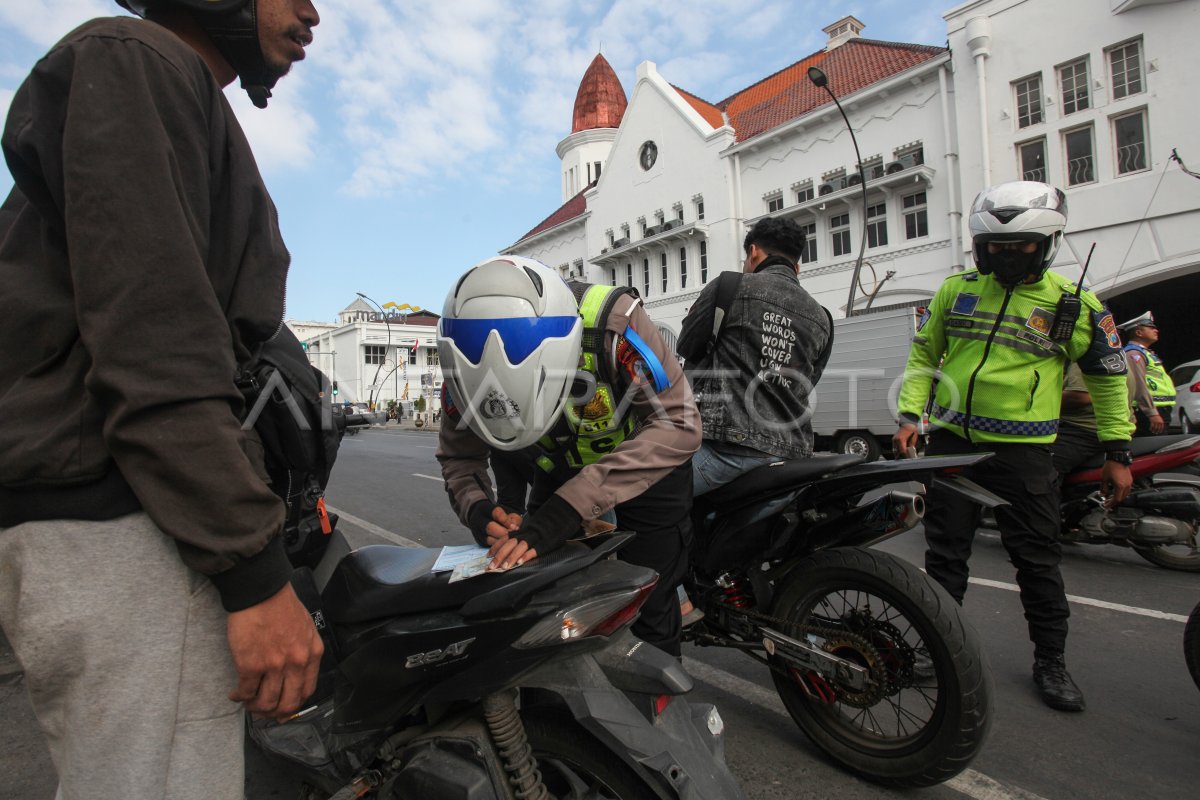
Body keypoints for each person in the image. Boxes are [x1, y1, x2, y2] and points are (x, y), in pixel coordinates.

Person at [0, 2, 324, 798]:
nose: (311, 12)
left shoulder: (161, 78)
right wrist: (253, 575)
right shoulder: (136, 59)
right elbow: (158, 343)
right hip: (128, 522)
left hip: (125, 514)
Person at [893, 181, 1134, 713]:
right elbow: (922, 357)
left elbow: (1109, 382)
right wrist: (911, 414)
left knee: (1038, 563)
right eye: (993, 248)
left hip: (1024, 456)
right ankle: (938, 647)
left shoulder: (1075, 307)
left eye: (1017, 247)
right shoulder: (955, 291)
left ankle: (1051, 661)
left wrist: (1118, 451)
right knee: (945, 557)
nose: (1002, 257)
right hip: (952, 446)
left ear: (1046, 243)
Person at [436, 257, 700, 656]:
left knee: (649, 601)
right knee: (543, 601)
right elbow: (460, 458)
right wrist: (478, 511)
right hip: (556, 474)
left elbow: (679, 423)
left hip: (646, 469)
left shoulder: (616, 327)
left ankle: (657, 703)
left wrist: (567, 510)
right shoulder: (460, 366)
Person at [676, 215, 833, 496]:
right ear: (797, 266)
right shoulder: (822, 318)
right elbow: (808, 381)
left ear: (754, 252)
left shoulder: (730, 287)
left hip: (727, 451)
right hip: (793, 455)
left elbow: (687, 347)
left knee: (638, 498)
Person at [1118, 311, 1174, 436]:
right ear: (1138, 333)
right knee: (1155, 449)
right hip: (1147, 412)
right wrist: (1151, 412)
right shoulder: (1134, 354)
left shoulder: (1145, 352)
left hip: (1157, 408)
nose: (1156, 331)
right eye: (1151, 328)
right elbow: (1138, 384)